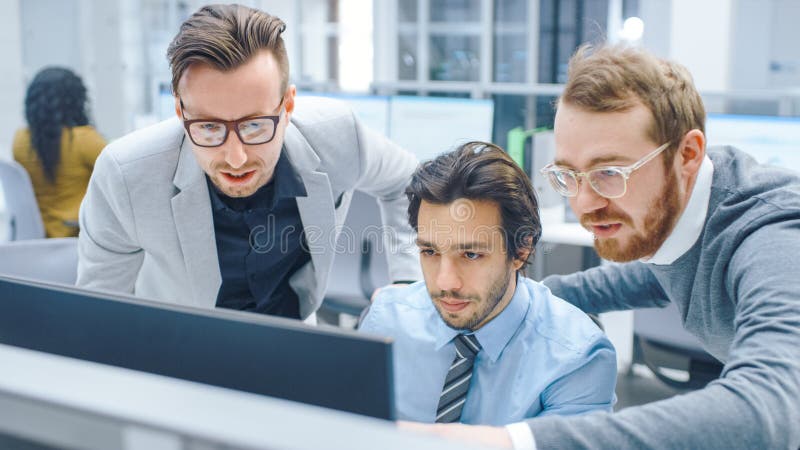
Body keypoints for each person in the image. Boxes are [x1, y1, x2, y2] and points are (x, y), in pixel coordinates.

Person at [401, 44, 800, 449]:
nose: (585, 203)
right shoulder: (681, 209)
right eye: (568, 174)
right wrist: (496, 299)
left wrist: (510, 442)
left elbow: (769, 408)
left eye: (609, 173)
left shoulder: (775, 234)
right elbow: (642, 278)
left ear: (689, 154)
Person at [76, 4, 420, 321]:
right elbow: (100, 317)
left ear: (287, 106)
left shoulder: (339, 136)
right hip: (180, 355)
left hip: (293, 344)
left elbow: (408, 180)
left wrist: (407, 284)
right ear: (180, 112)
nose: (235, 158)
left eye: (254, 126)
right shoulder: (125, 176)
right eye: (209, 127)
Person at [360, 142, 617, 425]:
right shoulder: (386, 320)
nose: (445, 282)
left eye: (471, 254)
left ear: (521, 250)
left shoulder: (577, 359)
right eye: (430, 252)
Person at [13, 67, 106, 238]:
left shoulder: (20, 141)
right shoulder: (84, 139)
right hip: (78, 238)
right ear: (76, 101)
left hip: (36, 242)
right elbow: (121, 169)